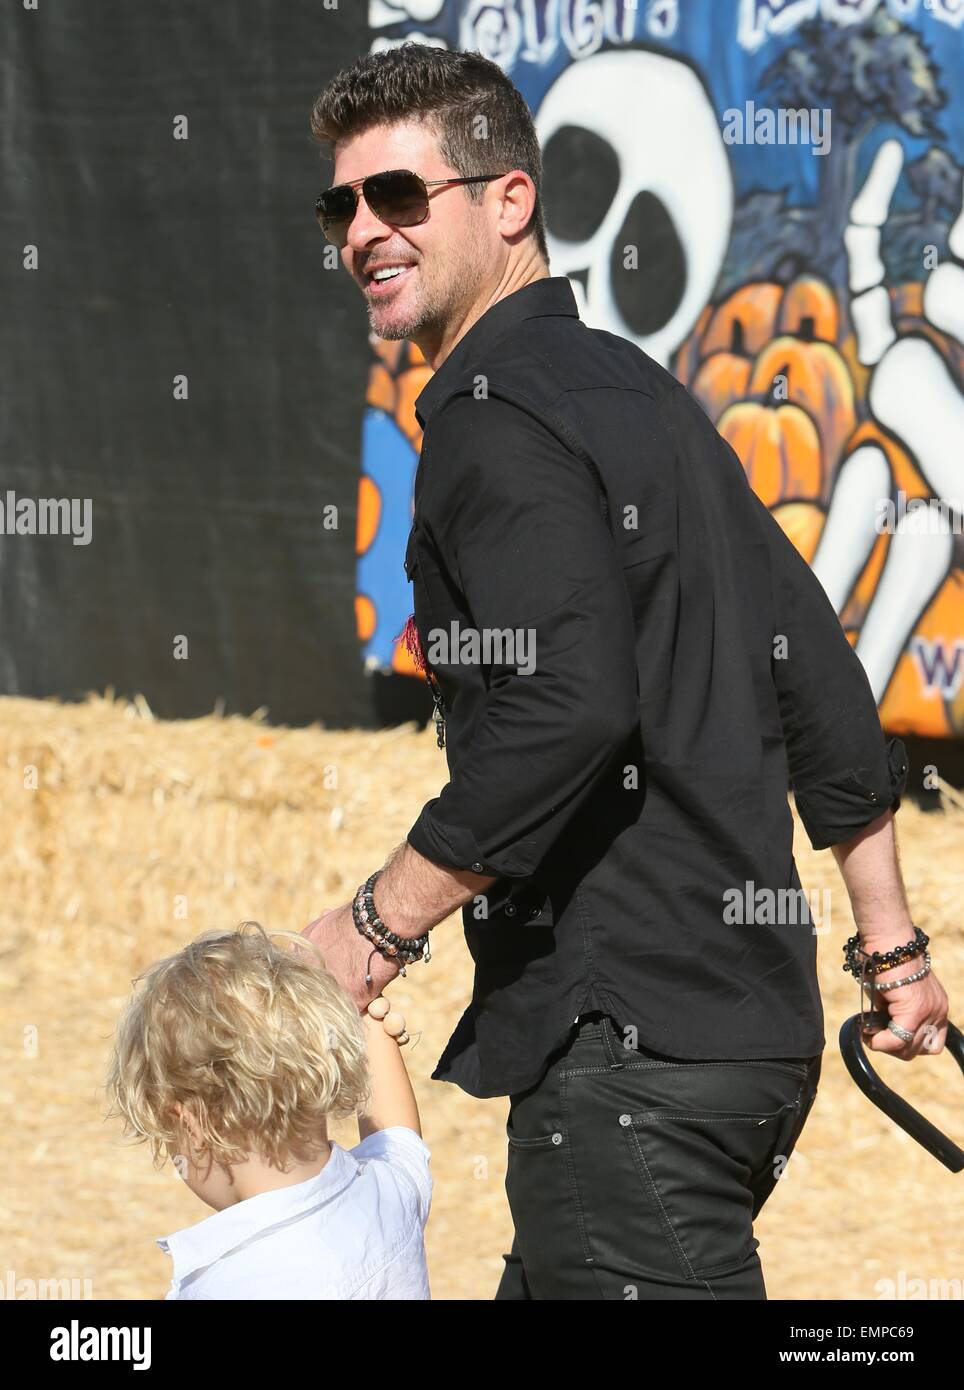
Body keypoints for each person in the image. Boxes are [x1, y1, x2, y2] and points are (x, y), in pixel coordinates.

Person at [304, 43, 950, 1299]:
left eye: (397, 197)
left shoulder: (492, 420)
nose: (361, 232)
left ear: (510, 200)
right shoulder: (642, 396)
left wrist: (380, 922)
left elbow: (565, 705)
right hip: (739, 1043)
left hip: (630, 1059)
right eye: (341, 206)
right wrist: (892, 953)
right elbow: (813, 664)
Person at [105, 923, 431, 1299]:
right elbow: (397, 1136)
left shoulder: (227, 1287)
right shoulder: (388, 1201)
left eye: (168, 1138)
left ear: (192, 1123)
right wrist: (367, 1015)